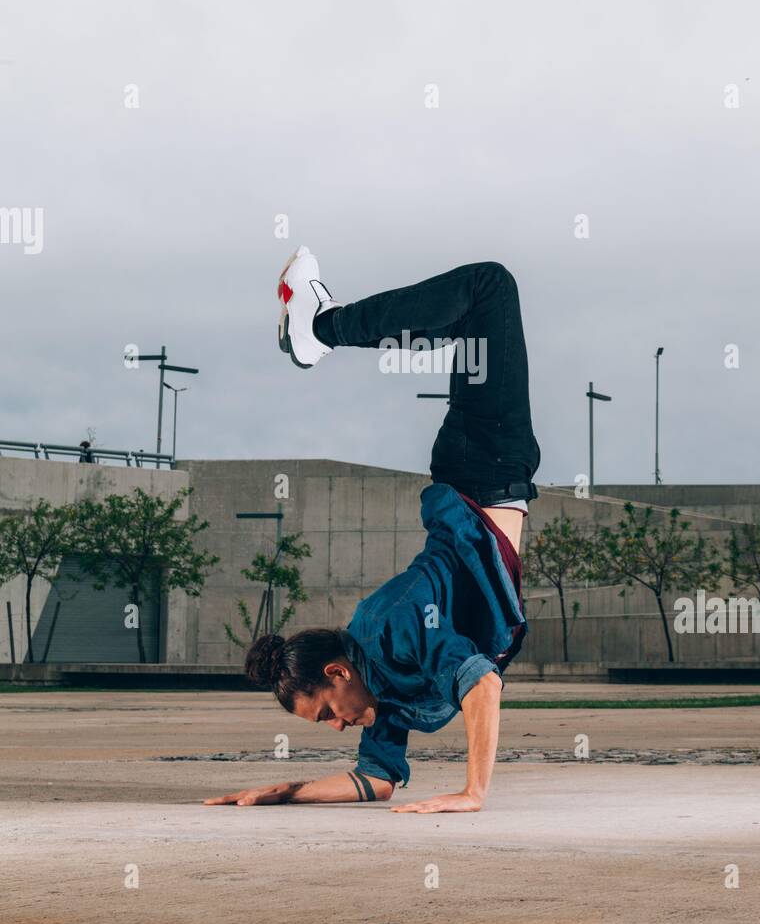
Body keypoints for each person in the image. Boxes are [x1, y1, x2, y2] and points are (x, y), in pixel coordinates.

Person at [204, 248, 540, 814]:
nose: (337, 726)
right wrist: (285, 792)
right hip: (489, 474)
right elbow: (376, 780)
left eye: (326, 712)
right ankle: (331, 326)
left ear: (336, 673)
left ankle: (322, 326)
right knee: (473, 321)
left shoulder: (388, 627)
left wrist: (472, 793)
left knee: (490, 287)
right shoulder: (382, 692)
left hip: (484, 470)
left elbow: (481, 683)